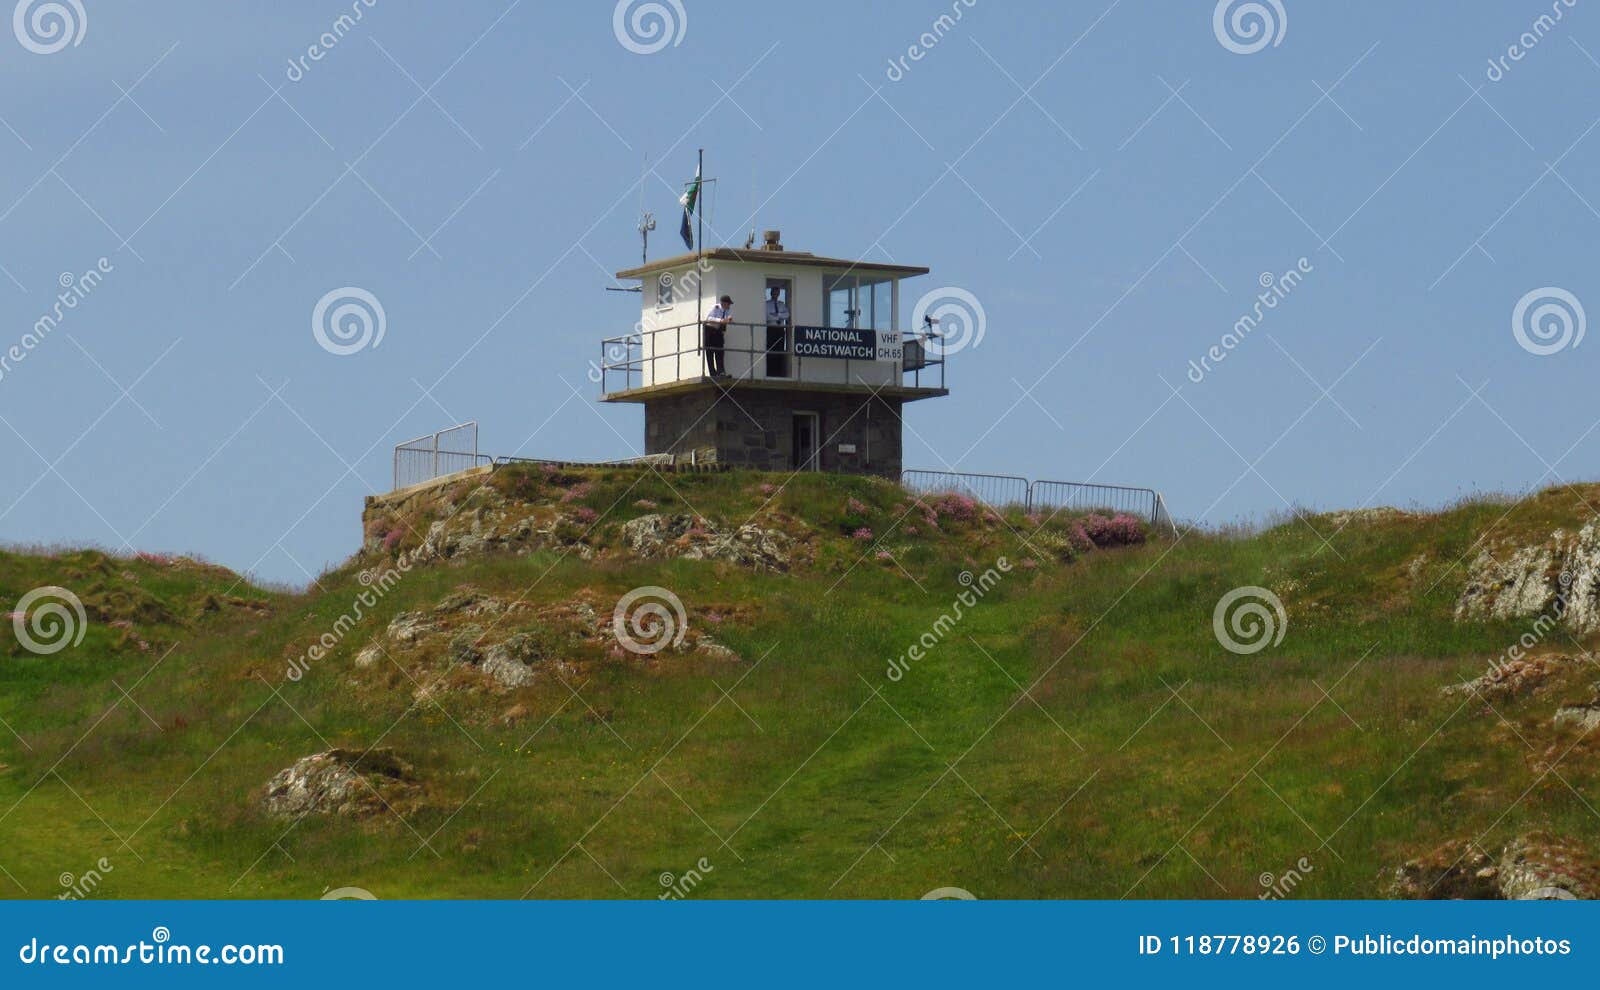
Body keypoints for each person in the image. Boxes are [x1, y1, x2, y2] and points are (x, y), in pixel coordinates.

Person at [702, 294, 733, 377]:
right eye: (728, 303)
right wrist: (720, 321)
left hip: (718, 332)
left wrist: (728, 319)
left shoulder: (727, 310)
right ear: (724, 303)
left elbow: (728, 318)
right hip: (710, 330)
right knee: (710, 352)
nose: (729, 305)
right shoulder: (715, 308)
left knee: (720, 351)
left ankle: (721, 372)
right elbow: (708, 318)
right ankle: (713, 373)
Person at [764, 286, 790, 377]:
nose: (776, 294)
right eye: (774, 292)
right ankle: (770, 372)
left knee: (780, 350)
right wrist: (779, 316)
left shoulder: (781, 304)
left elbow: (787, 315)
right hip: (771, 328)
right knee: (771, 350)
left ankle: (779, 373)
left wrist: (777, 314)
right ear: (771, 293)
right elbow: (767, 316)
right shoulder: (766, 304)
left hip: (780, 329)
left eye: (777, 292)